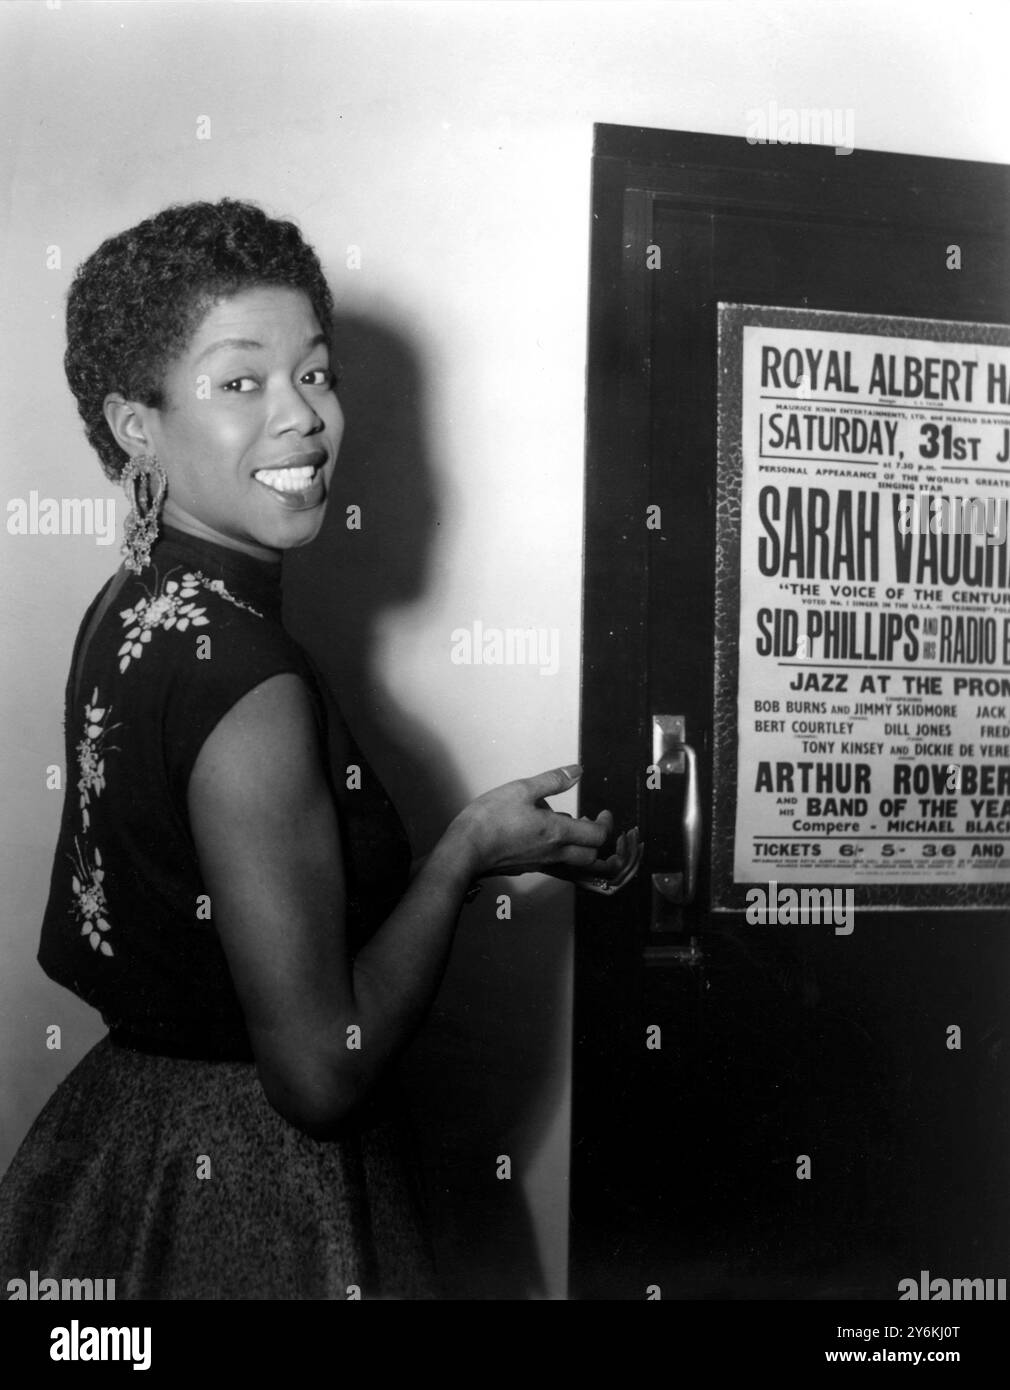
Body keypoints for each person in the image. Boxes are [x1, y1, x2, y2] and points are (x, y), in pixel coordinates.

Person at [0, 199, 642, 1300]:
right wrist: (461, 857)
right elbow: (320, 1072)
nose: (303, 416)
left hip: (122, 1137)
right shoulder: (252, 683)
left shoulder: (131, 602)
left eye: (315, 372)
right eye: (240, 380)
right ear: (135, 424)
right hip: (251, 1192)